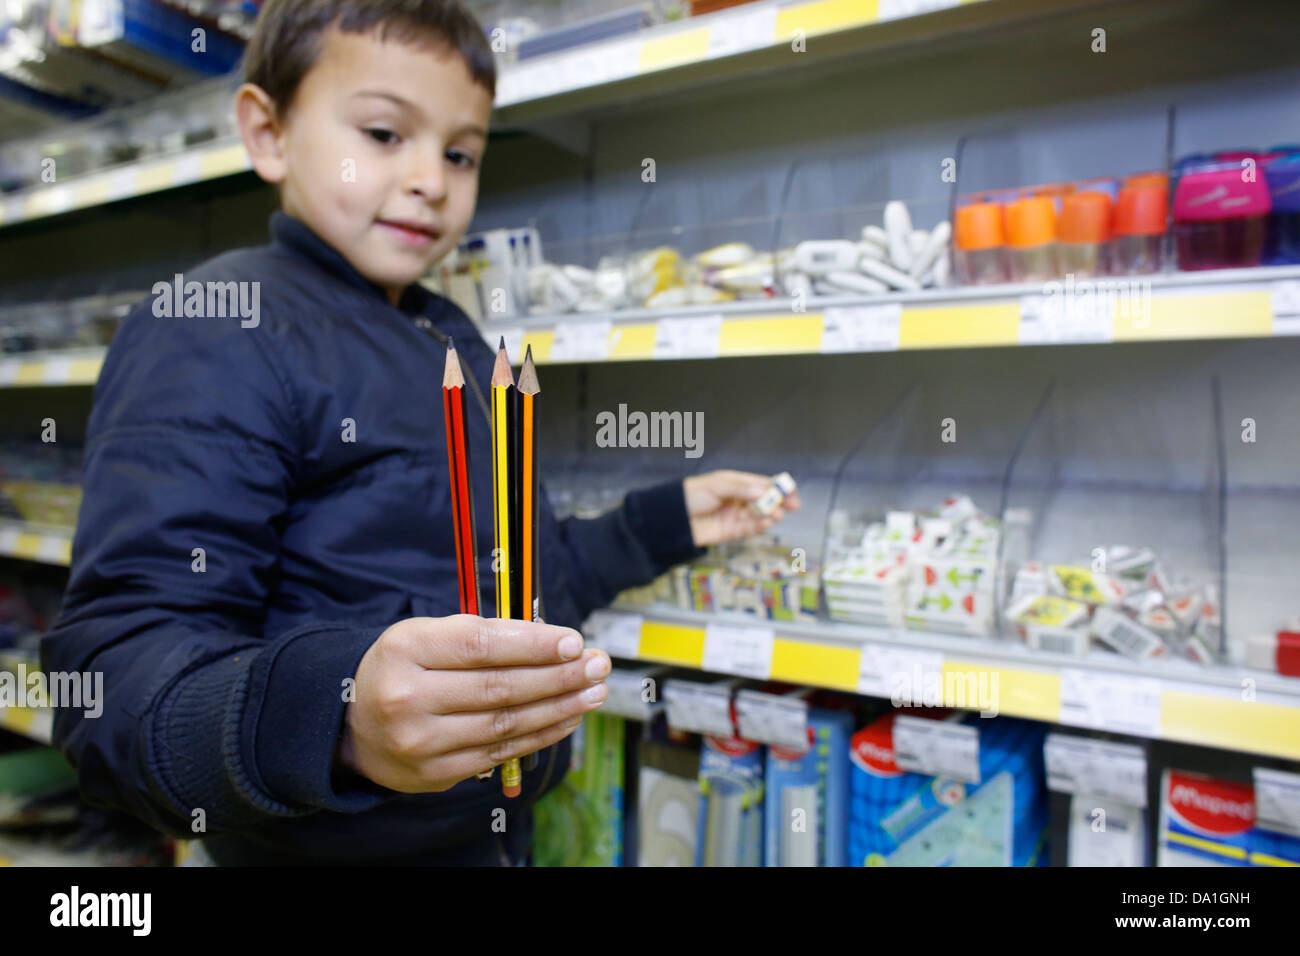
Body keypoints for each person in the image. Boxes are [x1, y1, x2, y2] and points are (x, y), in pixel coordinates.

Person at [40, 0, 799, 866]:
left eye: (460, 151)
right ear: (267, 132)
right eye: (382, 133)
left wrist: (663, 524)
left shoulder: (452, 337)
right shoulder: (217, 329)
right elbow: (110, 683)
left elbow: (512, 588)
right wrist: (337, 721)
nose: (431, 180)